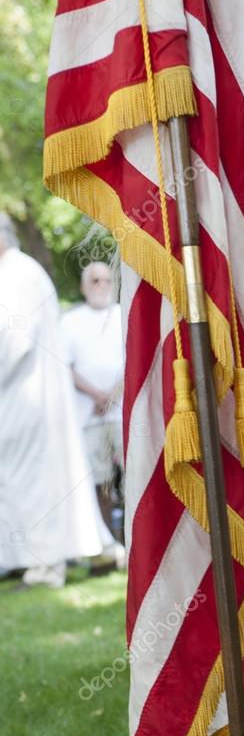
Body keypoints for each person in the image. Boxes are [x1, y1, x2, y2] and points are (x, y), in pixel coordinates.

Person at [0, 215, 111, 588]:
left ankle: (44, 566)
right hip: (31, 395)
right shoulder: (21, 271)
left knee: (32, 481)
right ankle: (85, 553)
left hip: (26, 396)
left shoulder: (14, 275)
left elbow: (13, 340)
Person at [60, 262, 125, 551]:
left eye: (106, 280)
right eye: (94, 281)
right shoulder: (70, 322)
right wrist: (97, 395)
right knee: (99, 483)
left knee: (130, 477)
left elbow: (134, 358)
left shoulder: (123, 315)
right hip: (88, 416)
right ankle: (109, 545)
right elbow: (64, 366)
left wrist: (113, 394)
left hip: (123, 414)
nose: (101, 286)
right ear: (84, 286)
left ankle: (134, 539)